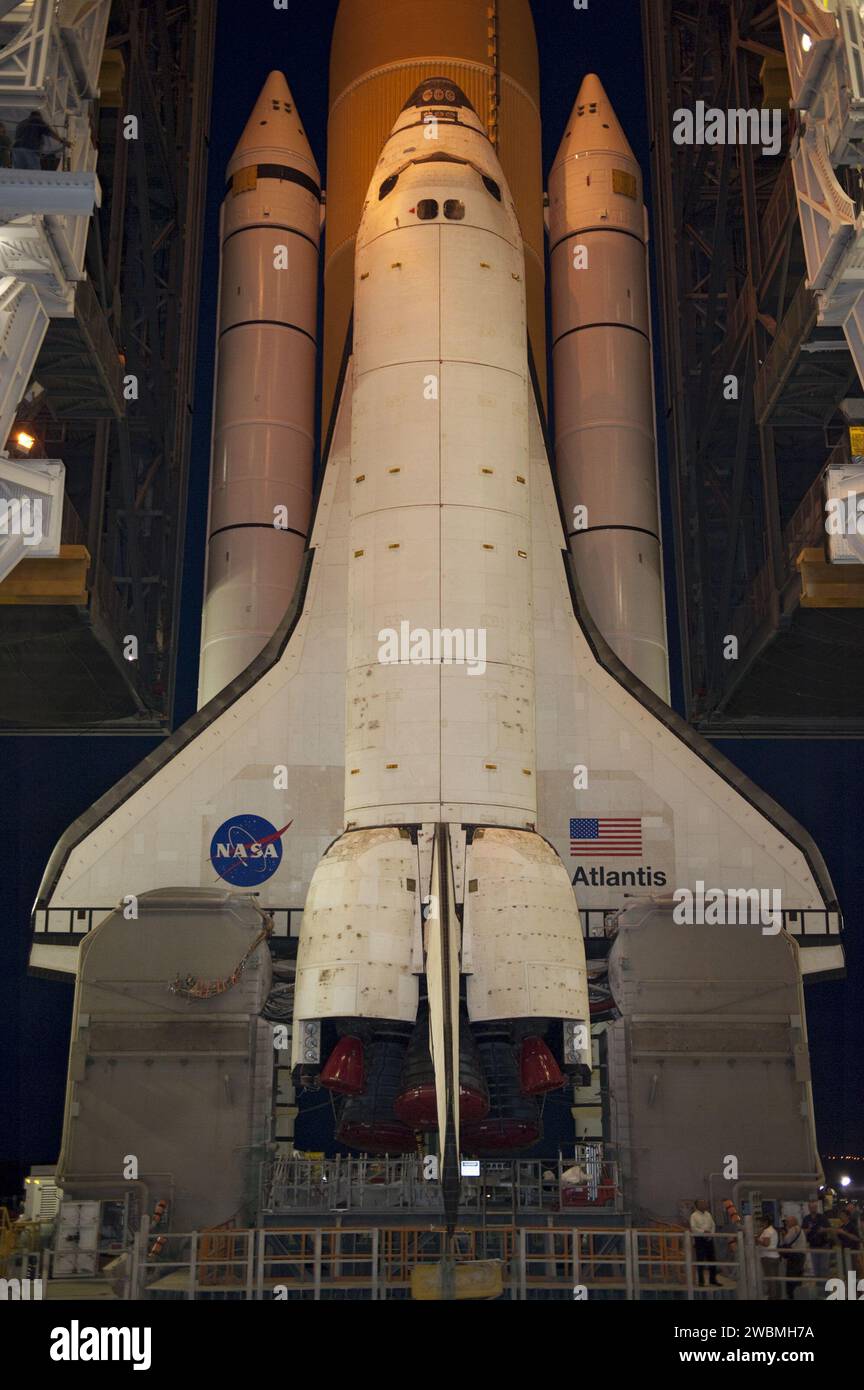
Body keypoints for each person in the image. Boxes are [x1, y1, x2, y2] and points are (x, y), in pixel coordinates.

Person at [778, 1214, 808, 1300]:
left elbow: (787, 1240)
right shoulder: (799, 1229)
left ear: (792, 1222)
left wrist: (784, 1234)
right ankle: (797, 1295)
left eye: (787, 1221)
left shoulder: (793, 1229)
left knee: (791, 1278)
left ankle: (792, 1296)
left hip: (795, 1257)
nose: (786, 1223)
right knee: (798, 1278)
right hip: (801, 1256)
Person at [689, 1199, 718, 1287]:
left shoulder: (708, 1214)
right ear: (697, 1205)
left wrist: (711, 1235)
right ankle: (701, 1281)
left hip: (709, 1239)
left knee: (712, 1259)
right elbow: (693, 1228)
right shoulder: (693, 1216)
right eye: (702, 1203)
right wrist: (703, 1232)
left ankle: (713, 1280)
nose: (704, 1204)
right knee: (700, 1260)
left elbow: (713, 1225)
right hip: (700, 1239)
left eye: (705, 1203)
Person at [802, 1199, 832, 1284]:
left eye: (814, 1207)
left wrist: (823, 1230)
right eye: (811, 1207)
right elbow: (802, 1230)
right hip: (813, 1246)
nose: (813, 1209)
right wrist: (807, 1230)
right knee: (816, 1268)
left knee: (824, 1268)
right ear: (809, 1208)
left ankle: (825, 1290)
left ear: (817, 1208)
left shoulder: (822, 1217)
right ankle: (819, 1289)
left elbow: (829, 1228)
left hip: (823, 1245)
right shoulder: (806, 1219)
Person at [757, 1215, 780, 1299]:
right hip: (774, 1256)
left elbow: (766, 1243)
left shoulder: (767, 1231)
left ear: (765, 1222)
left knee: (771, 1279)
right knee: (774, 1278)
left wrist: (757, 1240)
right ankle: (776, 1296)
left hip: (768, 1257)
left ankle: (772, 1296)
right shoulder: (771, 1230)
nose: (759, 1223)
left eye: (761, 1222)